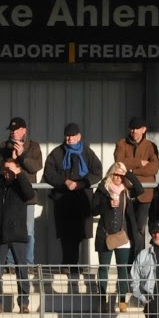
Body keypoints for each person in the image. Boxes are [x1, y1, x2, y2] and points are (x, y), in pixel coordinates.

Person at [41, 123, 103, 293]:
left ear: (79, 136)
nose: (70, 139)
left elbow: (97, 172)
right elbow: (48, 173)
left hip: (82, 199)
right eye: (67, 136)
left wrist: (81, 183)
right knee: (66, 234)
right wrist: (65, 182)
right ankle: (67, 264)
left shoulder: (87, 152)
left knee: (80, 234)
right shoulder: (57, 153)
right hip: (63, 199)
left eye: (73, 136)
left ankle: (75, 265)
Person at [0, 152, 35, 314]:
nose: (8, 172)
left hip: (18, 235)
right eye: (6, 169)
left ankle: (24, 302)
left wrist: (19, 174)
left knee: (22, 270)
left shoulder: (20, 187)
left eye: (11, 170)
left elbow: (29, 194)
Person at [92, 161, 143, 312]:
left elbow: (140, 190)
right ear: (111, 173)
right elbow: (93, 210)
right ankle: (103, 298)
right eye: (116, 174)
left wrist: (128, 174)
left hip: (123, 236)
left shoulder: (126, 191)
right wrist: (107, 204)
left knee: (123, 269)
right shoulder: (102, 190)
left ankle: (122, 300)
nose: (119, 178)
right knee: (104, 268)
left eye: (121, 175)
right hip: (105, 235)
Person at [0, 117, 43, 266]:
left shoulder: (34, 146)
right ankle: (11, 263)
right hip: (10, 195)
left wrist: (22, 156)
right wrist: (10, 159)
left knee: (28, 230)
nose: (13, 133)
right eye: (11, 130)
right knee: (10, 228)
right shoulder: (2, 146)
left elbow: (36, 166)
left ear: (24, 130)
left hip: (27, 195)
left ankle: (28, 263)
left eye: (16, 130)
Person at [114, 117, 159, 252]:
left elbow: (154, 168)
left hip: (145, 195)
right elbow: (119, 163)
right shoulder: (121, 144)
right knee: (125, 227)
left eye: (137, 128)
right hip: (126, 192)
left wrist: (132, 170)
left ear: (144, 129)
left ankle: (137, 260)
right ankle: (128, 263)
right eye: (132, 128)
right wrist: (140, 162)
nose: (134, 131)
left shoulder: (151, 146)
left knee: (140, 228)